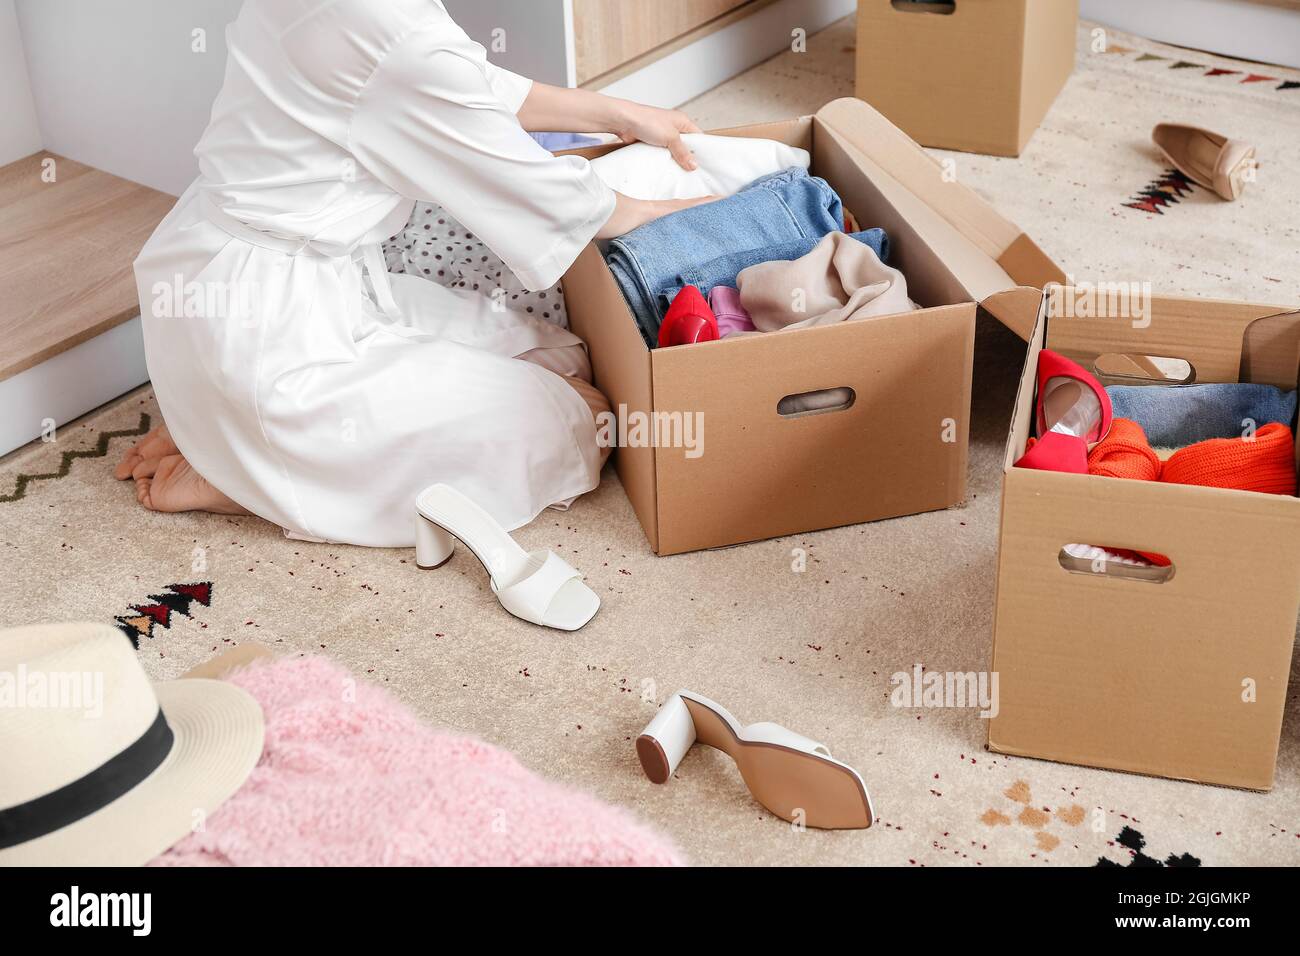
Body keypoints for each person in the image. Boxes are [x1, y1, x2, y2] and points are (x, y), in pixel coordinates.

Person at [118, 0, 712, 546]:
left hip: (257, 286)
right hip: (266, 331)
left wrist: (618, 112)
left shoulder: (384, 24)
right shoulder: (388, 35)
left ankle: (227, 437)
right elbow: (542, 192)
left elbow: (464, 83)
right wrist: (697, 210)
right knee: (583, 422)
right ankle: (254, 478)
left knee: (560, 356)